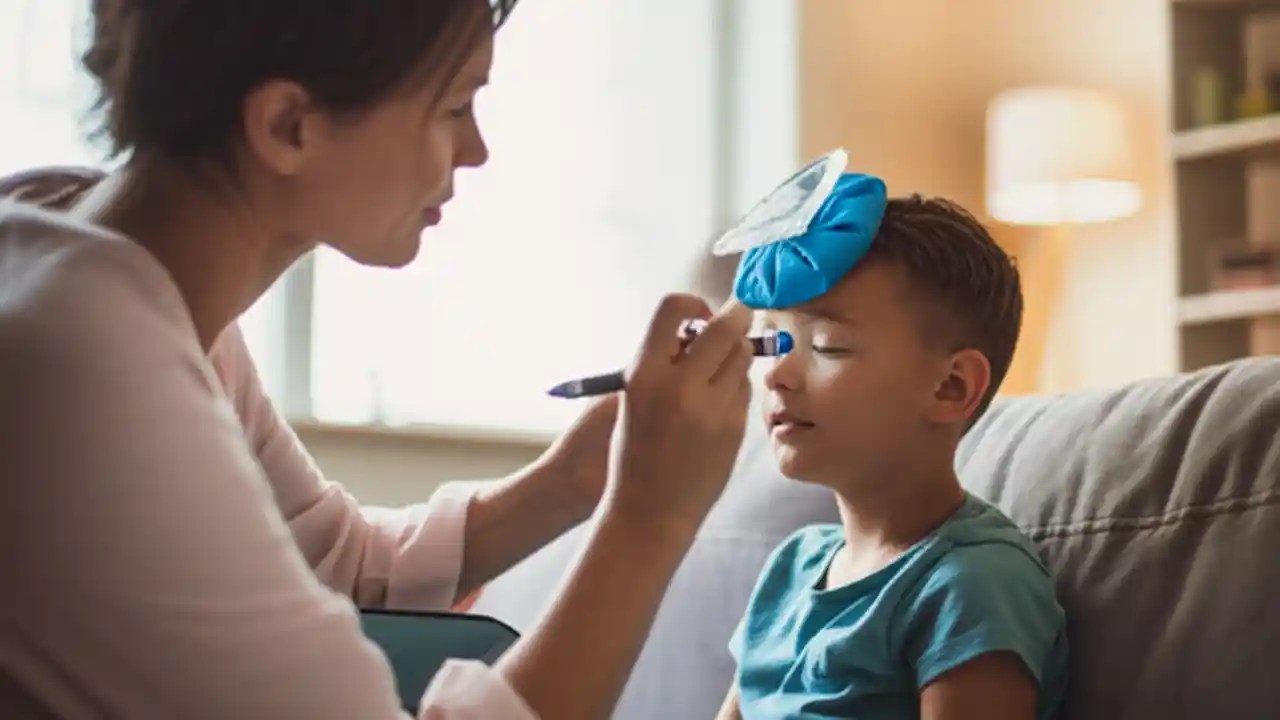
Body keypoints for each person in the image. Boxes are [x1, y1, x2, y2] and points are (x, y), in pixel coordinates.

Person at [0, 1, 757, 717]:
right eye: (454, 107)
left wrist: (573, 481)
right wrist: (651, 514)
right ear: (289, 126)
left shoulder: (84, 249)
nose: (477, 150)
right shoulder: (86, 372)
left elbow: (338, 564)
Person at [714, 190, 1070, 719]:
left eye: (827, 346)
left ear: (951, 386)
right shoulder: (790, 569)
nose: (776, 375)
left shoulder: (973, 583)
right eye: (771, 344)